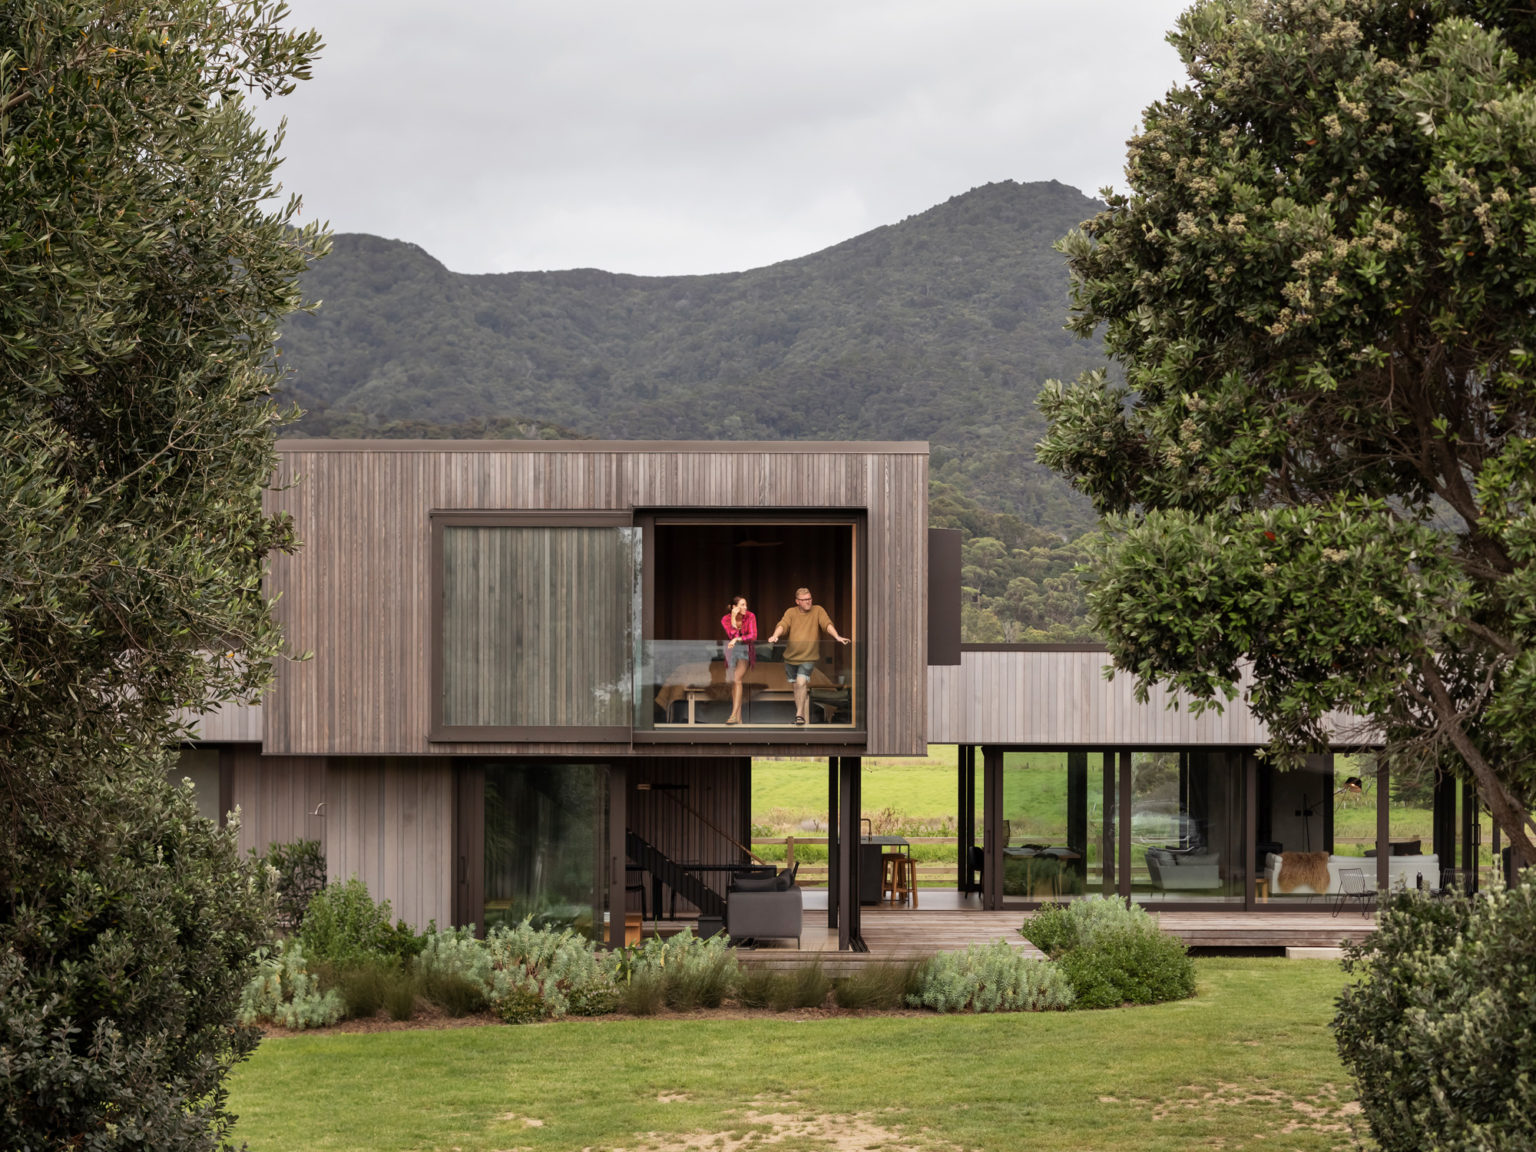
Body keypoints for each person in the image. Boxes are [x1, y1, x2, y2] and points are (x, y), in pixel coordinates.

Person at [765, 587, 849, 725]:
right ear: (797, 601)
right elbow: (783, 625)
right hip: (791, 657)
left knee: (801, 682)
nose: (808, 602)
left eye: (810, 599)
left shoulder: (818, 610)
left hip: (809, 656)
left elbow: (826, 624)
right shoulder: (791, 612)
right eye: (804, 600)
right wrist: (775, 635)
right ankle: (800, 715)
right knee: (796, 686)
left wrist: (837, 636)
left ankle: (799, 715)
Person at [720, 595, 757, 725]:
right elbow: (732, 635)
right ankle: (739, 719)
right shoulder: (725, 619)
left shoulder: (750, 616)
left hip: (745, 649)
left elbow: (753, 636)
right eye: (742, 605)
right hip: (731, 651)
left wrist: (738, 639)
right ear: (734, 607)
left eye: (746, 605)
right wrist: (733, 619)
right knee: (734, 683)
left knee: (737, 679)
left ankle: (733, 715)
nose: (745, 607)